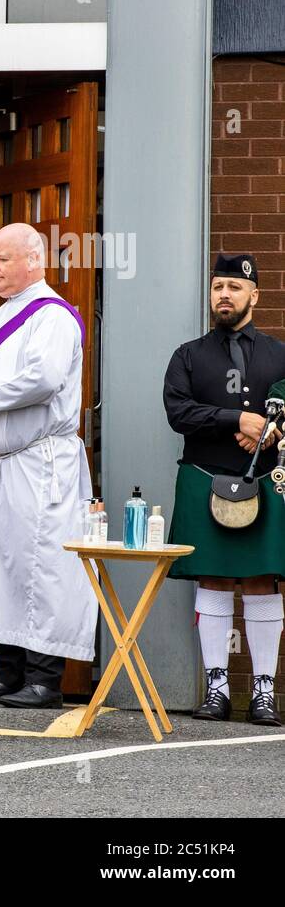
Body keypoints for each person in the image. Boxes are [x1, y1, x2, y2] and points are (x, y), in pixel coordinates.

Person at [0, 222, 95, 710]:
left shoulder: (54, 318)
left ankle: (46, 679)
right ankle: (6, 675)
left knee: (41, 566)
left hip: (40, 462)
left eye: (1, 259)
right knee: (0, 565)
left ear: (33, 259)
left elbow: (44, 379)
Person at [163, 253, 285, 725]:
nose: (224, 296)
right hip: (204, 477)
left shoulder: (279, 354)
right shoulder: (188, 355)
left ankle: (263, 692)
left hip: (267, 482)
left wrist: (271, 430)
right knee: (212, 577)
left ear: (254, 294)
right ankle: (216, 688)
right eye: (218, 287)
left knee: (262, 580)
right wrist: (237, 419)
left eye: (235, 287)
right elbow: (178, 413)